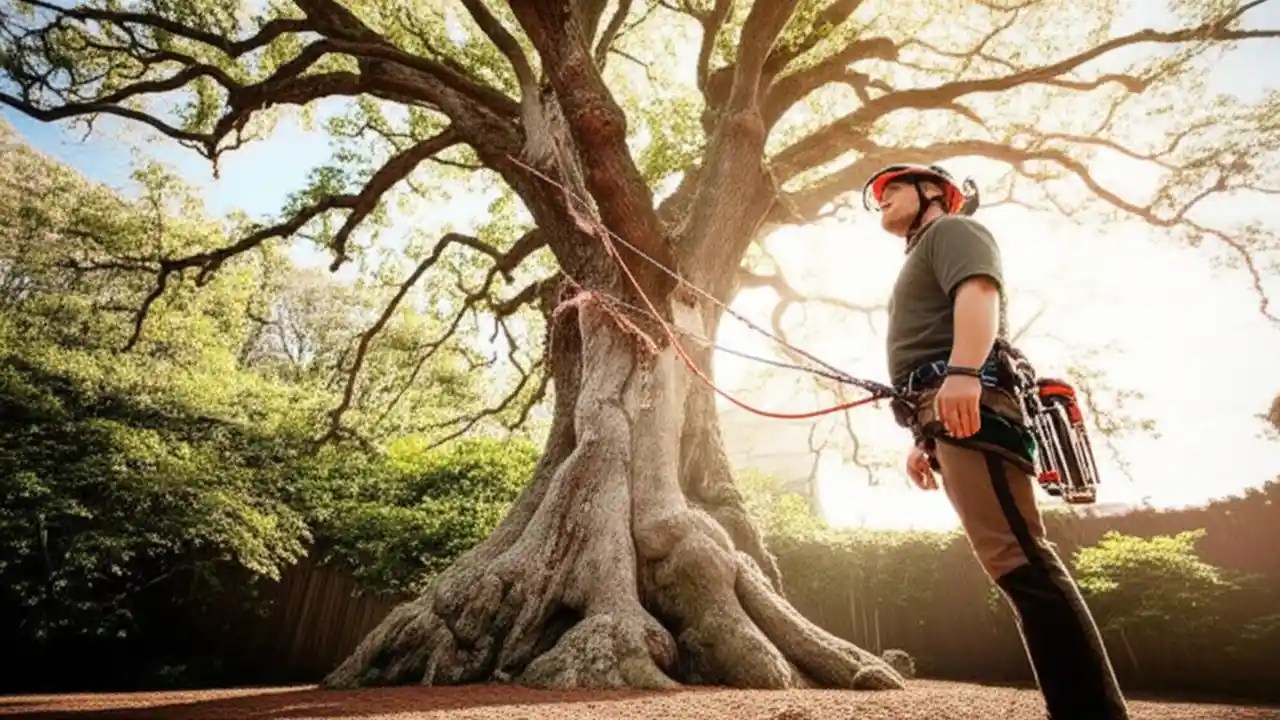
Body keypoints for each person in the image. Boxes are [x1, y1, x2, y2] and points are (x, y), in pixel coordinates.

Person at [862, 163, 1130, 720]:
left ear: (932, 191)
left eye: (892, 190)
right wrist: (923, 437)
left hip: (969, 401)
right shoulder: (920, 252)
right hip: (944, 414)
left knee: (1020, 558)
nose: (880, 200)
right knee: (1010, 562)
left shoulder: (952, 232)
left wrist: (963, 372)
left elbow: (977, 293)